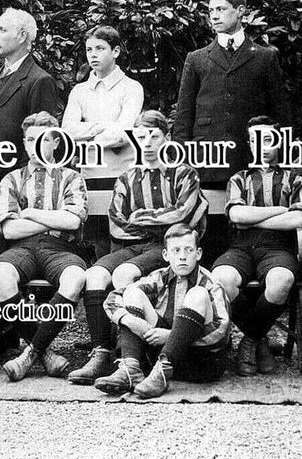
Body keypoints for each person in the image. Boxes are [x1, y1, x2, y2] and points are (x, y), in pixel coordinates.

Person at [67, 110, 208, 385]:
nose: (147, 142)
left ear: (166, 139)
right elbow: (117, 222)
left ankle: (128, 359)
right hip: (131, 246)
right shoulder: (127, 178)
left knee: (122, 275)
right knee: (94, 275)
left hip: (166, 249)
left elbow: (183, 216)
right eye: (140, 136)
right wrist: (158, 219)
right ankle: (101, 353)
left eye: (154, 136)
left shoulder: (184, 174)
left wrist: (141, 217)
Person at [0, 112, 88, 382]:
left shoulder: (71, 178)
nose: (36, 146)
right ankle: (44, 352)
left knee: (76, 277)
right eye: (30, 140)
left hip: (59, 248)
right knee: (1, 275)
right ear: (23, 143)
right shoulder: (11, 179)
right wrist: (51, 219)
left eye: (43, 140)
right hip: (20, 248)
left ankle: (30, 352)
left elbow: (72, 221)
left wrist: (30, 213)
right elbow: (9, 228)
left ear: (56, 143)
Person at [211, 116, 302, 376]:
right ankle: (260, 339)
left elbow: (299, 218)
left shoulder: (295, 180)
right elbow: (236, 217)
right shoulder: (239, 179)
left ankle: (250, 340)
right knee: (221, 279)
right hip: (241, 248)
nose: (263, 146)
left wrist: (254, 218)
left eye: (269, 140)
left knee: (281, 281)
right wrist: (279, 211)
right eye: (256, 141)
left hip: (279, 249)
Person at [173, 0, 292, 186]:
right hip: (208, 160)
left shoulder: (265, 57)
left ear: (240, 11)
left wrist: (283, 159)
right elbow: (184, 117)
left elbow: (280, 112)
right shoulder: (196, 59)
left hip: (250, 160)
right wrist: (181, 162)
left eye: (221, 9)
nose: (214, 16)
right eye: (211, 10)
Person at [95, 224, 230, 398]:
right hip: (156, 362)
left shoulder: (210, 283)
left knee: (197, 294)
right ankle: (131, 370)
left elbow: (222, 331)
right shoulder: (159, 277)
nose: (182, 257)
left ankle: (163, 371)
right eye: (176, 251)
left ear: (198, 254)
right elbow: (114, 298)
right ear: (166, 255)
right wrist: (129, 320)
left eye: (189, 250)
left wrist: (171, 336)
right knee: (132, 292)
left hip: (200, 362)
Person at [0, 8, 64, 193]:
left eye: (2, 30)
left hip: (15, 186)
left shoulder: (40, 80)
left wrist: (19, 186)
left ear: (23, 36)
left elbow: (40, 141)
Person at [61, 25, 144, 188]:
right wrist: (102, 127)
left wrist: (86, 139)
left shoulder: (132, 88)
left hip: (124, 174)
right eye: (89, 49)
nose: (93, 55)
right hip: (89, 174)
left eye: (100, 48)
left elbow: (121, 135)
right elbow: (68, 131)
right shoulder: (79, 91)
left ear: (116, 52)